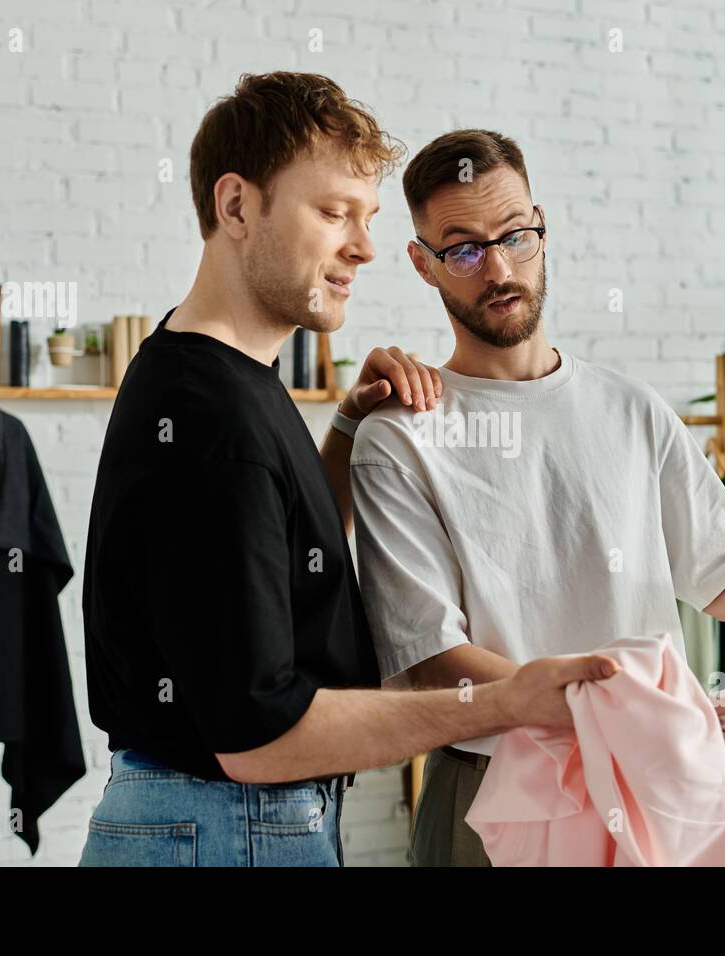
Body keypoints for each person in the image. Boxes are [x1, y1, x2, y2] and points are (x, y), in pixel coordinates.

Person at [79, 76, 617, 868]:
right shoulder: (210, 417)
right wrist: (504, 703)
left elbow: (281, 564)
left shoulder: (225, 379)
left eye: (366, 220)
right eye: (333, 213)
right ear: (236, 208)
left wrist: (346, 427)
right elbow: (260, 740)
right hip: (230, 828)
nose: (363, 247)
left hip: (221, 825)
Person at [350, 129, 725, 867]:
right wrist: (631, 710)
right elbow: (436, 660)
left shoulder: (634, 410)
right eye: (462, 248)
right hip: (490, 796)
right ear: (421, 264)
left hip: (648, 781)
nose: (497, 268)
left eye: (514, 236)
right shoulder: (399, 438)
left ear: (543, 226)